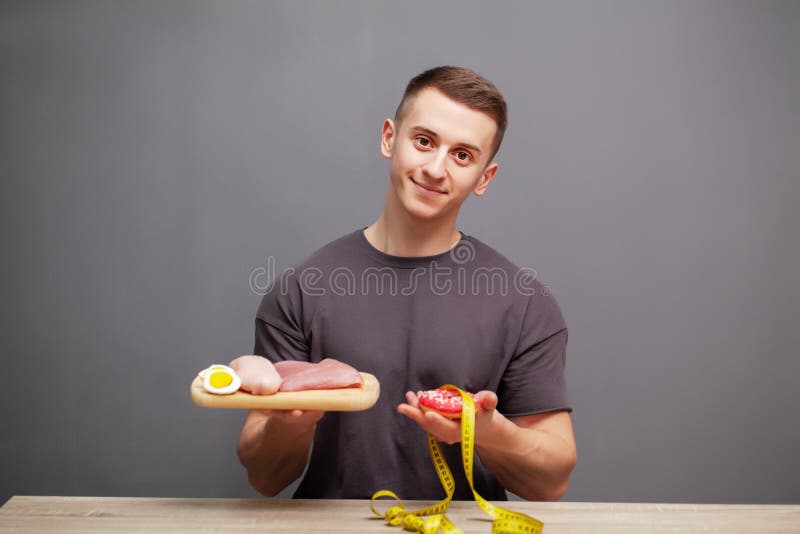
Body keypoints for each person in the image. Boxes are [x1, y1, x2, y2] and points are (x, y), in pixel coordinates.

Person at [237, 66, 577, 501]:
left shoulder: (524, 303)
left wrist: (488, 432)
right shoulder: (300, 289)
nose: (436, 168)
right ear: (388, 138)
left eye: (462, 155)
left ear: (484, 178)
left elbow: (553, 481)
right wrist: (292, 420)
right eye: (424, 141)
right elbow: (264, 477)